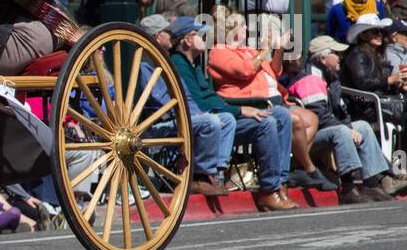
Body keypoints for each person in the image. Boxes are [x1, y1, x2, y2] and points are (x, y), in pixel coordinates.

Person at [168, 16, 296, 210]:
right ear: (187, 40)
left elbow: (211, 97)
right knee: (266, 123)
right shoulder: (193, 59)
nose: (206, 38)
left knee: (280, 115)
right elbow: (202, 102)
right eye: (200, 35)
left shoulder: (193, 64)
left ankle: (281, 184)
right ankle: (269, 189)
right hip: (210, 119)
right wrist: (241, 110)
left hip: (225, 113)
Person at [208, 13, 328, 191]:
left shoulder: (247, 50)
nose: (246, 29)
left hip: (275, 98)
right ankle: (295, 173)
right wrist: (266, 48)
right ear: (230, 31)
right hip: (251, 102)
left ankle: (293, 165)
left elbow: (274, 72)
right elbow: (245, 70)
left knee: (311, 119)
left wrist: (278, 49)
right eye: (242, 25)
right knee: (292, 120)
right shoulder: (219, 51)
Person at [293, 35, 401, 203]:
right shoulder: (310, 79)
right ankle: (348, 188)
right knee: (342, 131)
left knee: (363, 127)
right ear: (322, 57)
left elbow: (342, 112)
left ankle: (372, 184)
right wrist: (348, 129)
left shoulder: (330, 77)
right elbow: (320, 117)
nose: (340, 58)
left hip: (329, 130)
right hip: (309, 138)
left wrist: (350, 126)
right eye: (336, 53)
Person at [340, 13, 407, 175]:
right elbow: (363, 82)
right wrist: (391, 80)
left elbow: (381, 84)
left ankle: (406, 165)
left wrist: (398, 86)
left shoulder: (376, 54)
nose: (380, 35)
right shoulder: (357, 53)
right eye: (374, 32)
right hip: (364, 105)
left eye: (380, 32)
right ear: (363, 34)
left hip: (379, 101)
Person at [139, 14, 231, 196]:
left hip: (182, 117)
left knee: (225, 119)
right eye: (168, 32)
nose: (171, 36)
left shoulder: (165, 62)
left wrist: (195, 114)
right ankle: (199, 177)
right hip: (162, 123)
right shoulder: (145, 65)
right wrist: (194, 116)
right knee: (210, 122)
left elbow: (186, 97)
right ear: (158, 36)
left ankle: (216, 173)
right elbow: (161, 102)